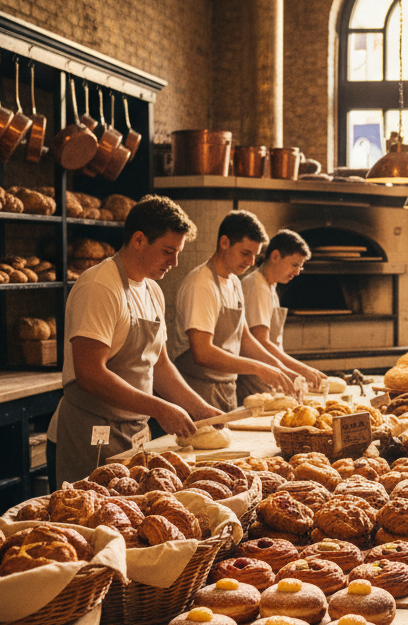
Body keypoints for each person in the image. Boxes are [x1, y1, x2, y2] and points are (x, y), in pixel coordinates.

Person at [47, 196, 219, 486]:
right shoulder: (100, 286)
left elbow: (160, 366)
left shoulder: (152, 291)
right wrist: (160, 408)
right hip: (90, 435)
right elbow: (90, 373)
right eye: (168, 251)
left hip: (134, 433)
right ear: (139, 239)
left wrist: (200, 408)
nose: (174, 262)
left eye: (177, 253)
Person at [171, 211, 295, 413]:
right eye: (245, 253)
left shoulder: (234, 282)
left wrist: (280, 368)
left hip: (227, 388)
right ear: (224, 242)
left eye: (255, 255)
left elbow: (245, 339)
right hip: (198, 389)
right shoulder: (202, 284)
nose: (251, 262)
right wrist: (258, 368)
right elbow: (202, 353)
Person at [237, 229, 327, 402]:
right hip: (256, 382)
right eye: (295, 264)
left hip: (270, 377)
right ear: (275, 256)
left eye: (300, 266)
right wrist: (303, 370)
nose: (298, 272)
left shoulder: (270, 286)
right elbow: (261, 342)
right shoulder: (257, 285)